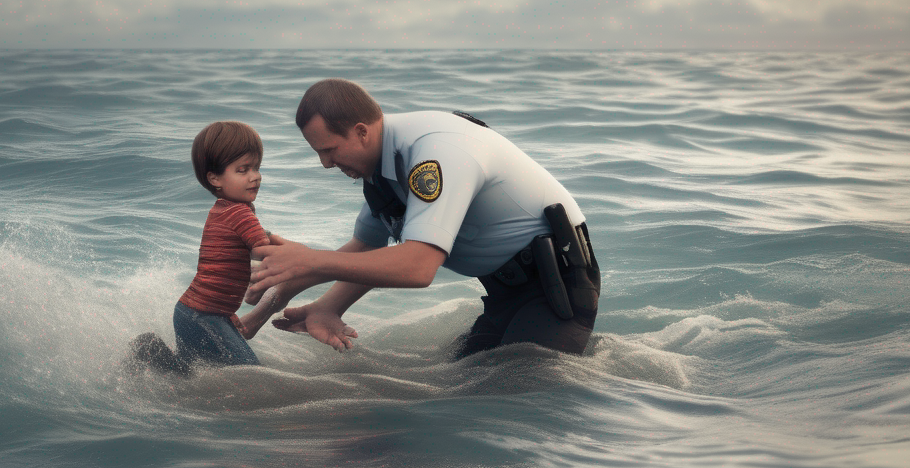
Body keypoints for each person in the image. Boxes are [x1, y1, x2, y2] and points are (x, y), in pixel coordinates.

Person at [247, 78, 600, 359]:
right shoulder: (381, 170)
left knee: (503, 405)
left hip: (557, 288)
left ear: (360, 131)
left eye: (329, 150)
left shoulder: (436, 152)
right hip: (506, 293)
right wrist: (288, 311)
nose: (325, 164)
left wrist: (307, 259)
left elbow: (417, 267)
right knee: (454, 384)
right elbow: (365, 250)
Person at [133, 121, 287, 373]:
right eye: (243, 170)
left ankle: (150, 352)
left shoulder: (223, 210)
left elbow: (225, 261)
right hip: (203, 315)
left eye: (257, 167)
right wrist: (303, 259)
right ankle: (148, 350)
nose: (255, 176)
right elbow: (260, 250)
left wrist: (226, 313)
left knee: (188, 373)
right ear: (214, 178)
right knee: (249, 375)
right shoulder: (240, 213)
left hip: (196, 312)